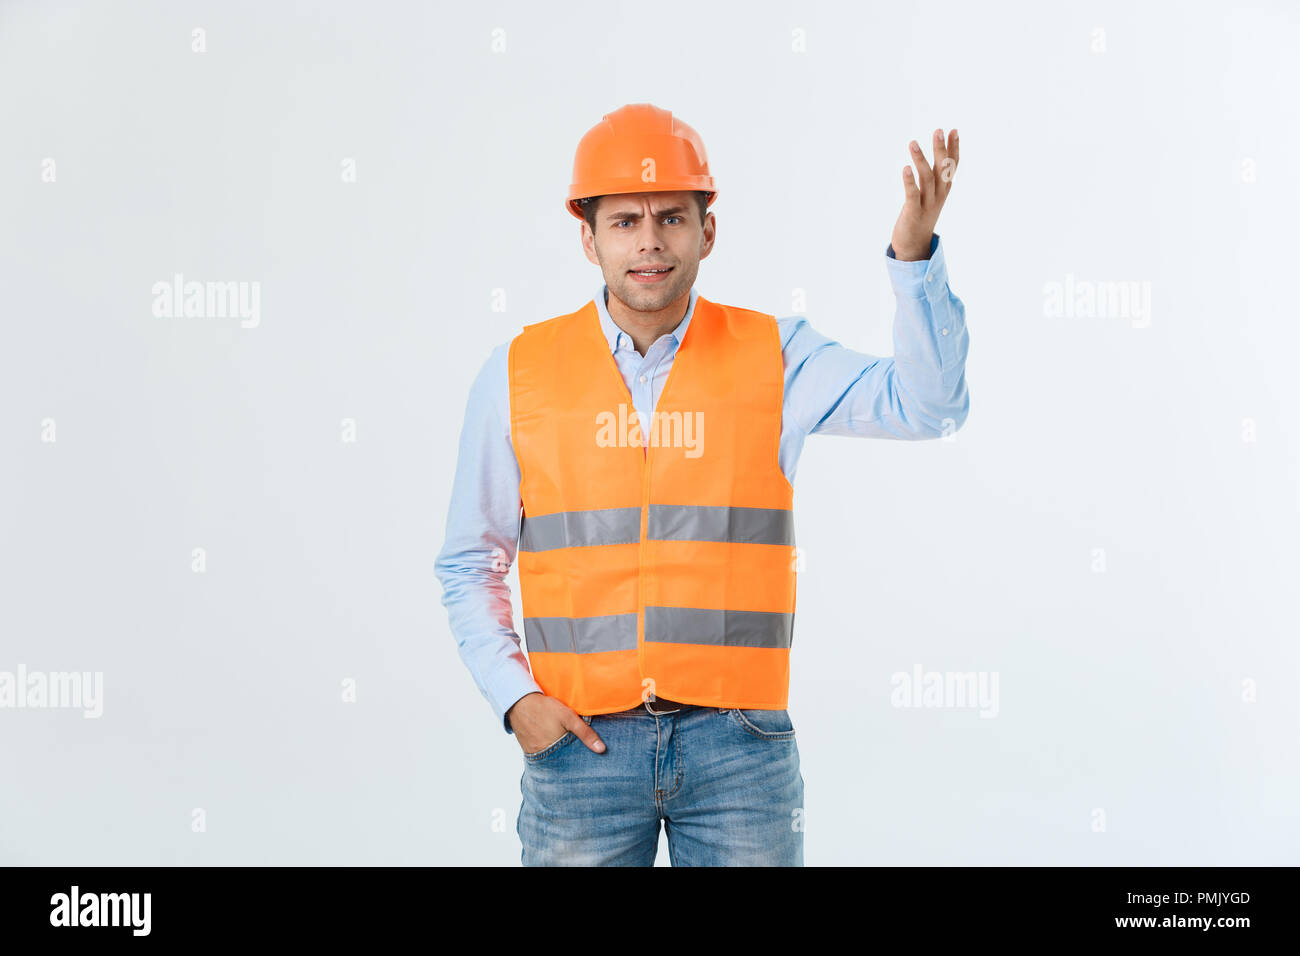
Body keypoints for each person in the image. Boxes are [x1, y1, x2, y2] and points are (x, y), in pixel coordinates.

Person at [435, 103, 968, 865]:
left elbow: (931, 407)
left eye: (671, 218)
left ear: (706, 231)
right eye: (624, 221)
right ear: (587, 238)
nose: (649, 241)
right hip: (578, 748)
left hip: (739, 750)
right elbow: (468, 561)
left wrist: (913, 259)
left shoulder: (776, 356)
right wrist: (516, 701)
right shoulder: (517, 375)